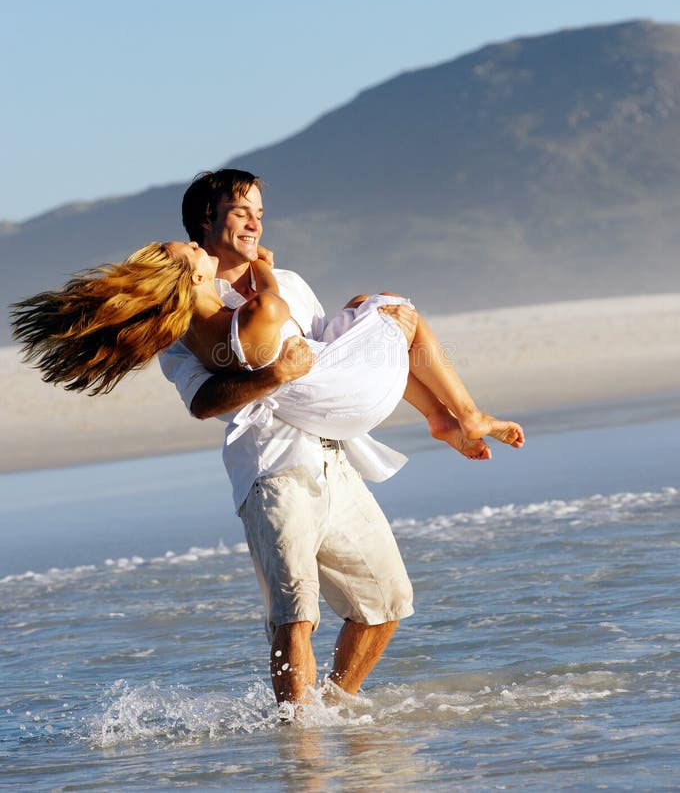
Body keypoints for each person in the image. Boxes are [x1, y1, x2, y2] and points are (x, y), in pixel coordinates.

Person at [12, 168, 524, 707]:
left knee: (387, 602)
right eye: (241, 211)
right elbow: (203, 403)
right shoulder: (179, 318)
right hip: (274, 468)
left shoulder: (291, 284)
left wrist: (395, 382)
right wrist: (271, 376)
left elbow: (337, 365)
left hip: (336, 463)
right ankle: (300, 748)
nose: (256, 221)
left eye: (259, 210)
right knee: (295, 615)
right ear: (205, 223)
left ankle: (327, 710)